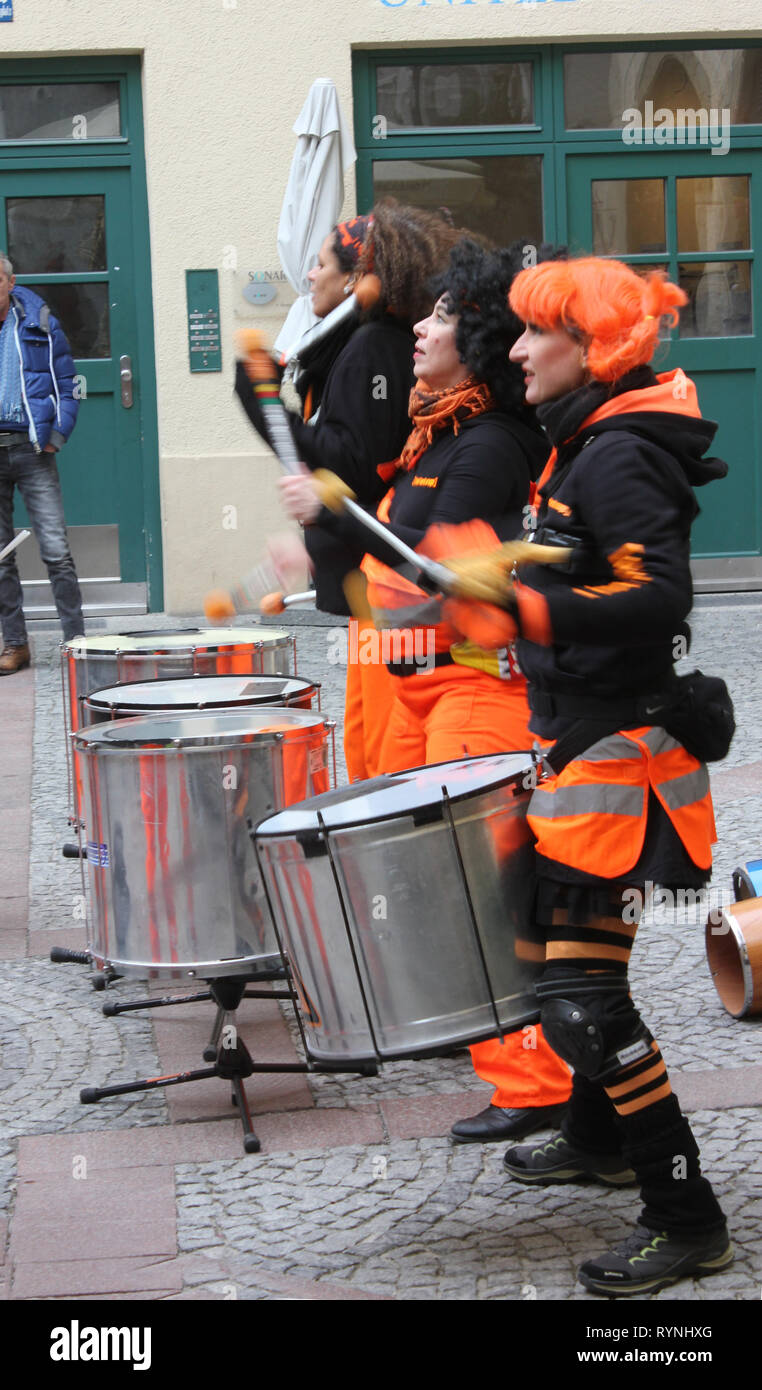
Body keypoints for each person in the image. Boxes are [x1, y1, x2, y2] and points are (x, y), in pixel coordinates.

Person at [280, 238, 572, 1143]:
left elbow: (446, 591)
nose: (422, 324)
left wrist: (336, 530)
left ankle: (538, 1085)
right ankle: (481, 1043)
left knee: (485, 892)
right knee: (442, 884)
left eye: (444, 314)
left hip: (474, 696)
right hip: (421, 686)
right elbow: (407, 566)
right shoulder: (441, 433)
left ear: (479, 335)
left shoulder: (484, 447)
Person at [490, 255, 732, 1296]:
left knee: (582, 999)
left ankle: (687, 1216)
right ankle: (596, 1137)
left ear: (590, 350)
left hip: (622, 769)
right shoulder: (584, 447)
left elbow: (656, 597)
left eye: (535, 335)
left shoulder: (619, 454)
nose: (516, 351)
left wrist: (528, 607)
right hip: (581, 754)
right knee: (558, 965)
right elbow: (583, 566)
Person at [236, 202, 460, 782]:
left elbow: (354, 467)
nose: (309, 276)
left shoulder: (372, 349)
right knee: (365, 755)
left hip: (385, 596)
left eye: (320, 264)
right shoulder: (361, 344)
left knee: (383, 765)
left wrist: (263, 410)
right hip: (372, 592)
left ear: (356, 278)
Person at [0, 252, 83, 673]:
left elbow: (67, 382)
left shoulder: (39, 320)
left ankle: (76, 642)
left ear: (9, 283)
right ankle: (15, 645)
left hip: (30, 447)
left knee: (56, 549)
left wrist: (57, 434)